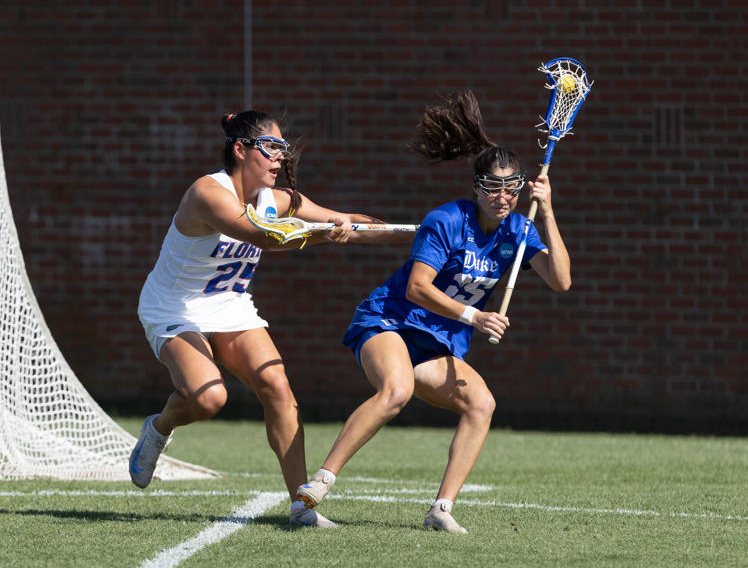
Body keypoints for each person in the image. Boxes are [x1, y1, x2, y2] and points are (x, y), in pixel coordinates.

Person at [295, 90, 572, 533]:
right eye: (493, 187)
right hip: (390, 320)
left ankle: (440, 510)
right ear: (476, 188)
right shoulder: (446, 221)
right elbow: (417, 288)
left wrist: (549, 213)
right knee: (396, 391)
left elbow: (561, 280)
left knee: (481, 403)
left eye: (512, 187)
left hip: (436, 341)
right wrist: (475, 317)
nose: (503, 196)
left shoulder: (520, 229)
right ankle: (317, 487)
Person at [131, 110, 413, 528]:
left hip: (229, 304)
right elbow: (262, 234)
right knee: (209, 398)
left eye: (283, 150)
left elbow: (352, 224)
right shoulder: (208, 193)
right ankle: (158, 428)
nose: (279, 158)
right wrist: (321, 234)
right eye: (271, 148)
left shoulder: (280, 199)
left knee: (278, 387)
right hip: (175, 307)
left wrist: (422, 233)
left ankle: (301, 506)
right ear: (241, 150)